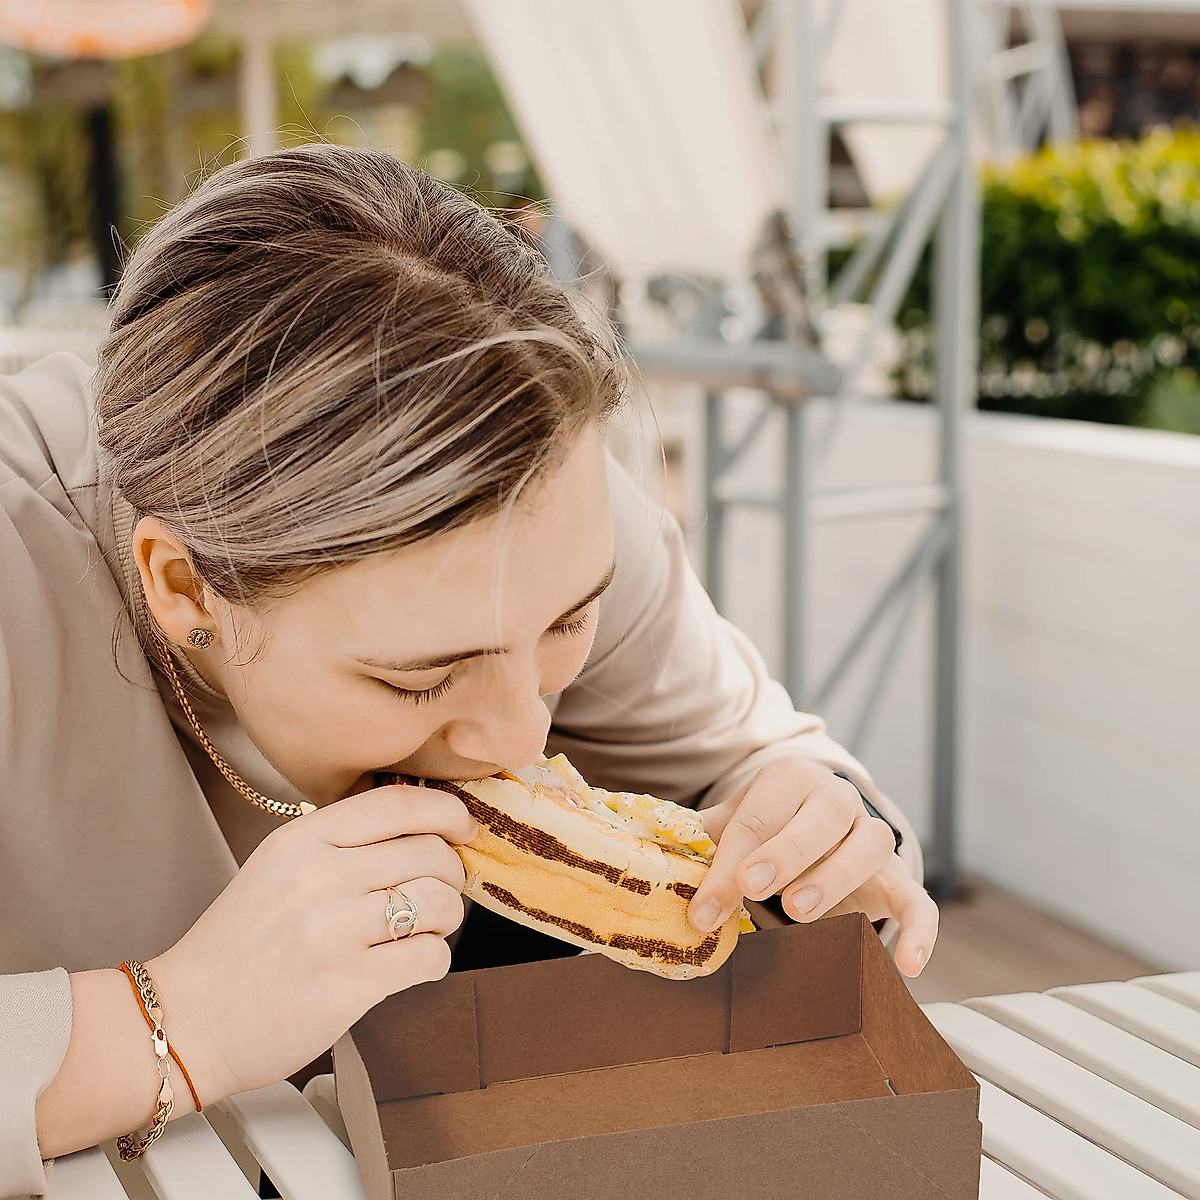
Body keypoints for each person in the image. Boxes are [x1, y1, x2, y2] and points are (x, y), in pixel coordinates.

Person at [0, 143, 937, 1195]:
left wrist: (822, 835)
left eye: (565, 630)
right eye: (417, 680)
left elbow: (759, 754)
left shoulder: (542, 520)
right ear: (181, 588)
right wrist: (178, 1021)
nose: (520, 740)